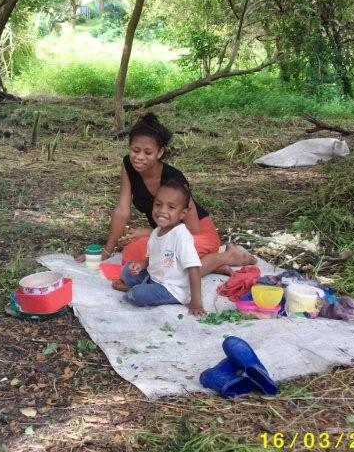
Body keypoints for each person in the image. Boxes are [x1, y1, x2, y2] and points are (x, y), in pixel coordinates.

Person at [77, 112, 255, 276]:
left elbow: (193, 229)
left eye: (148, 152)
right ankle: (210, 265)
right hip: (163, 233)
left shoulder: (174, 179)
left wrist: (150, 232)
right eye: (135, 150)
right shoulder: (128, 165)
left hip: (196, 233)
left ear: (160, 152)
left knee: (168, 268)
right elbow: (122, 210)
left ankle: (228, 257)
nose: (139, 157)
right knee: (131, 253)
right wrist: (106, 252)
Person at [113, 179, 205, 316]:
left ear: (182, 214)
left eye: (171, 207)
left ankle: (133, 289)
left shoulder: (181, 236)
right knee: (126, 270)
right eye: (158, 204)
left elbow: (194, 269)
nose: (162, 211)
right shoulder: (157, 231)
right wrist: (140, 265)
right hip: (153, 277)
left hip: (171, 288)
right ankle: (141, 286)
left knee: (136, 295)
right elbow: (151, 259)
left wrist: (196, 302)